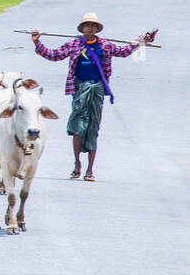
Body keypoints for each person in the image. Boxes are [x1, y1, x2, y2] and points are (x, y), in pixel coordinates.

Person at [30, 13, 156, 181]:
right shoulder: (74, 44)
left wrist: (143, 40)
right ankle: (77, 164)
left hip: (97, 89)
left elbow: (125, 51)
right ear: (82, 28)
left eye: (93, 25)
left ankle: (90, 170)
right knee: (77, 127)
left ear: (97, 29)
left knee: (93, 127)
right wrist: (37, 42)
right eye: (86, 25)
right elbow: (54, 55)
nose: (89, 27)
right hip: (79, 88)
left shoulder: (105, 45)